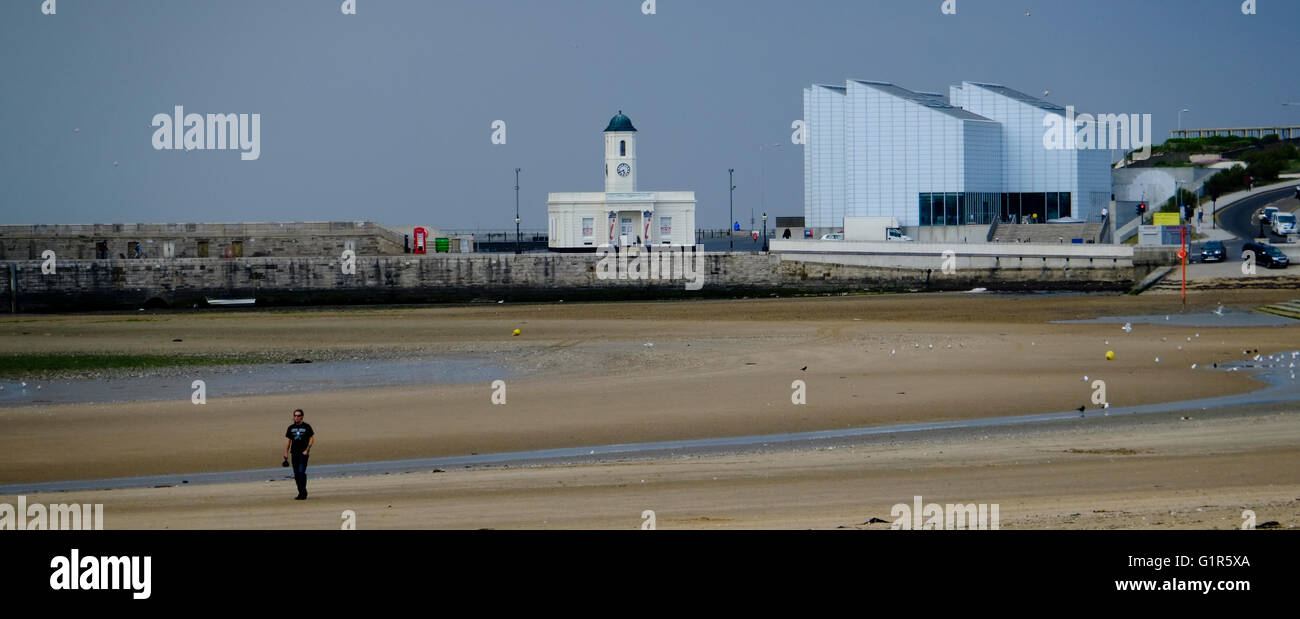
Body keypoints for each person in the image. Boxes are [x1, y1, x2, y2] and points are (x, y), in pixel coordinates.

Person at [284, 409, 314, 500]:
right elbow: (288, 441)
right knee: (296, 474)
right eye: (295, 415)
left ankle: (303, 493)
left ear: (302, 416)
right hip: (294, 453)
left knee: (301, 473)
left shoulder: (307, 427)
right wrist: (286, 452)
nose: (296, 417)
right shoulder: (290, 428)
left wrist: (307, 450)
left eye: (298, 415)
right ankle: (301, 492)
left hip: (303, 454)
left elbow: (312, 439)